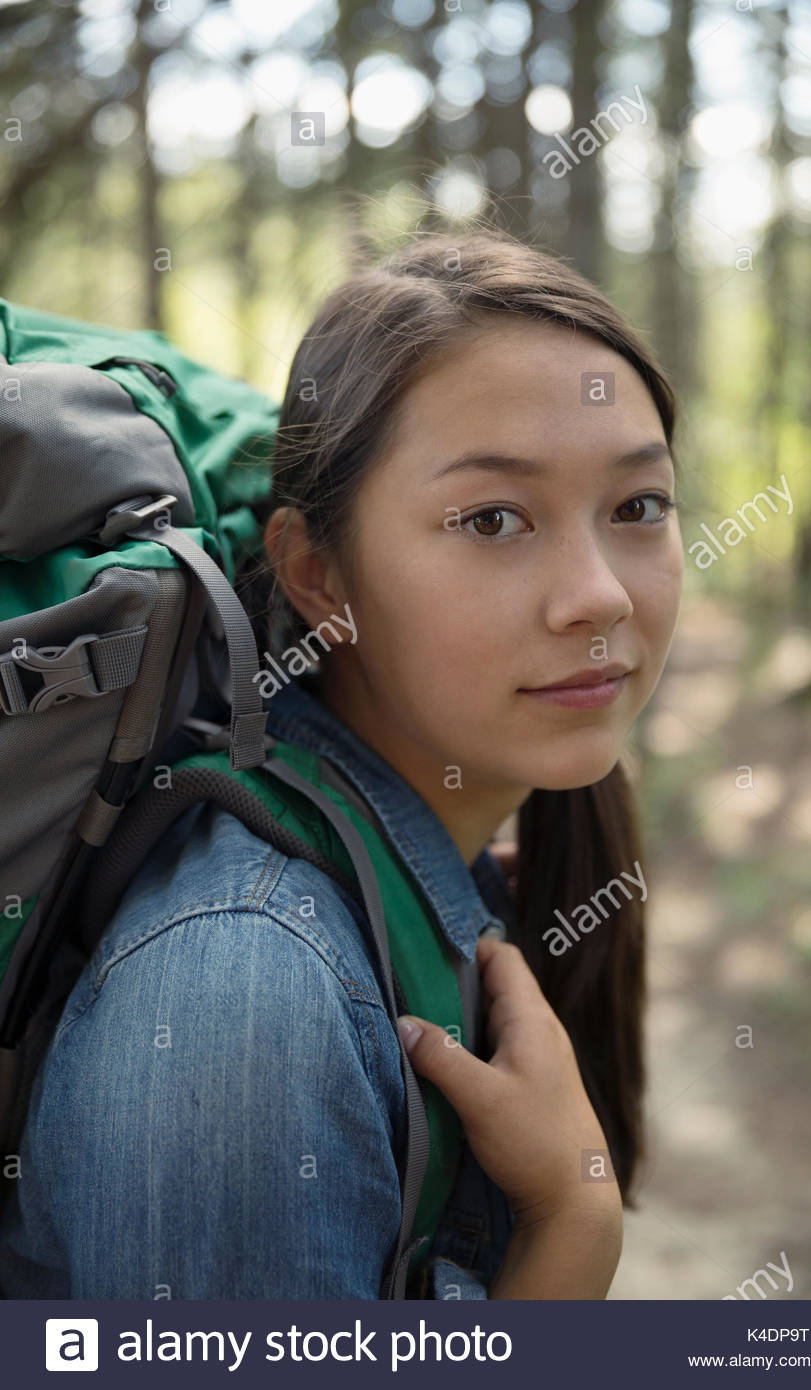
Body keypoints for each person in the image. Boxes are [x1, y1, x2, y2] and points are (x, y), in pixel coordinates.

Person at [0, 223, 683, 1299]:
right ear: (316, 575)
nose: (596, 594)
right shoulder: (245, 999)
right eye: (495, 518)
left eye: (636, 505)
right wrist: (568, 1236)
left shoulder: (436, 867)